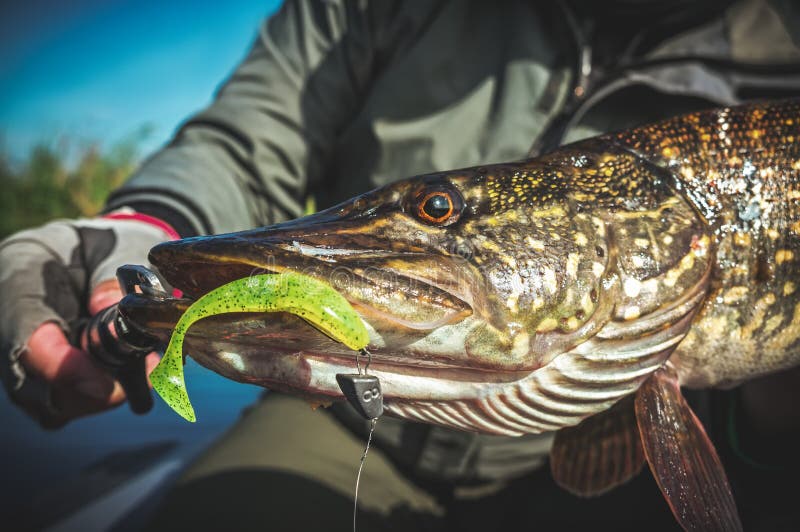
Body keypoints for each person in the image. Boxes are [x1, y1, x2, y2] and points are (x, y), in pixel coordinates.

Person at [2, 0, 800, 530]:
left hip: (602, 442)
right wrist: (135, 230)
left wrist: (770, 428)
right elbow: (250, 137)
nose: (431, 218)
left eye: (436, 213)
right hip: (355, 413)